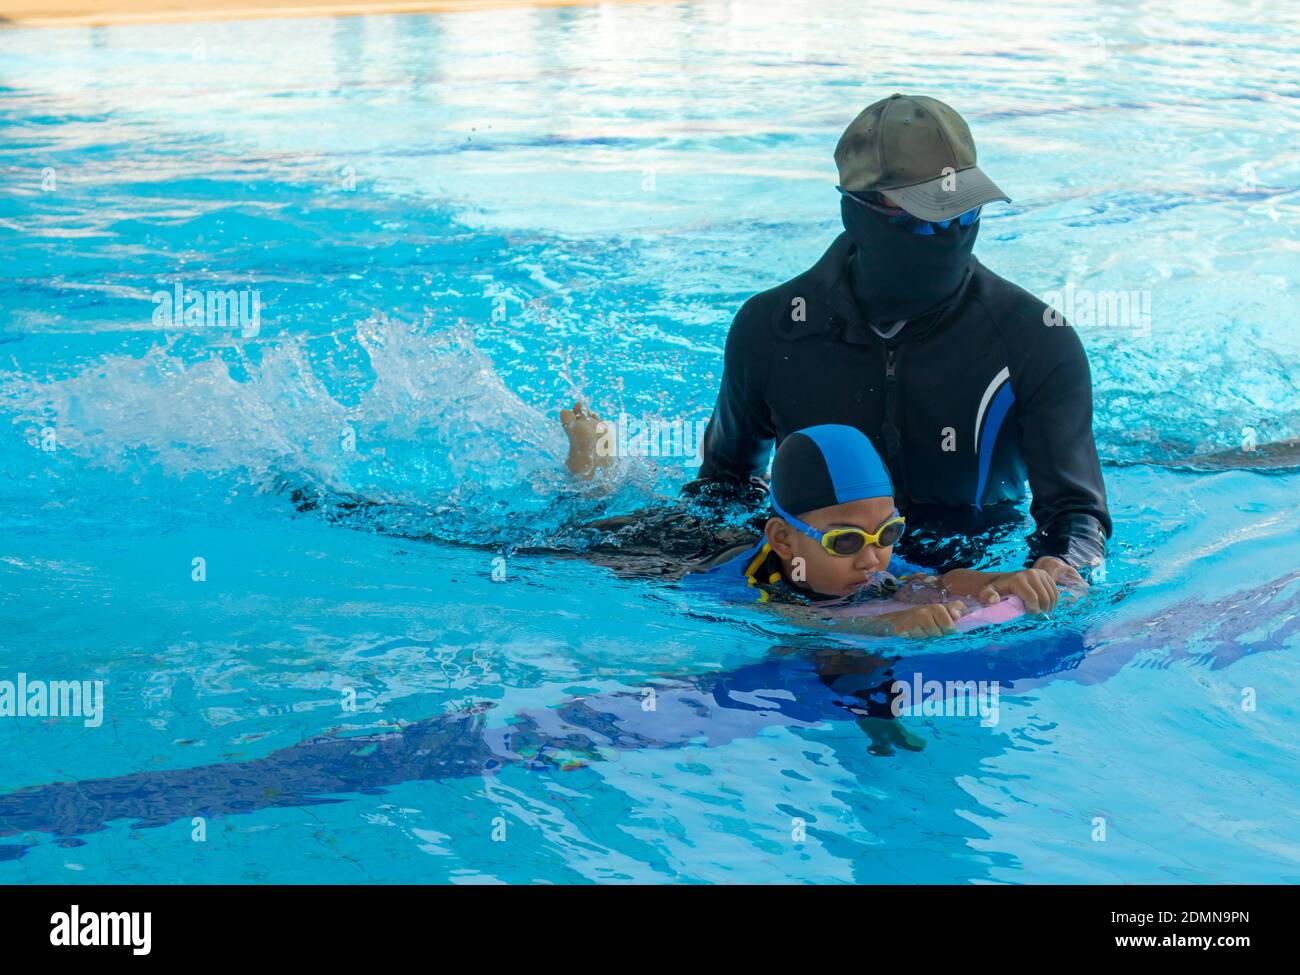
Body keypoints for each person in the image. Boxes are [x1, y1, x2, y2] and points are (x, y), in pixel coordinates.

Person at [685, 93, 1111, 586]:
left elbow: (1077, 515)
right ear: (859, 212)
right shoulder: (772, 329)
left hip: (976, 577)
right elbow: (725, 488)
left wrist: (1066, 570)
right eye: (925, 219)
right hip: (822, 583)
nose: (950, 232)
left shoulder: (1034, 338)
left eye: (966, 213)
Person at [560, 402, 1060, 637]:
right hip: (662, 551)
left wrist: (1000, 580)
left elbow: (937, 581)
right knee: (584, 525)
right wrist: (887, 627)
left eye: (888, 533)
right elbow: (792, 617)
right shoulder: (754, 583)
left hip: (733, 528)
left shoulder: (869, 560)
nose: (873, 557)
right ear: (783, 539)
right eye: (845, 541)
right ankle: (594, 469)